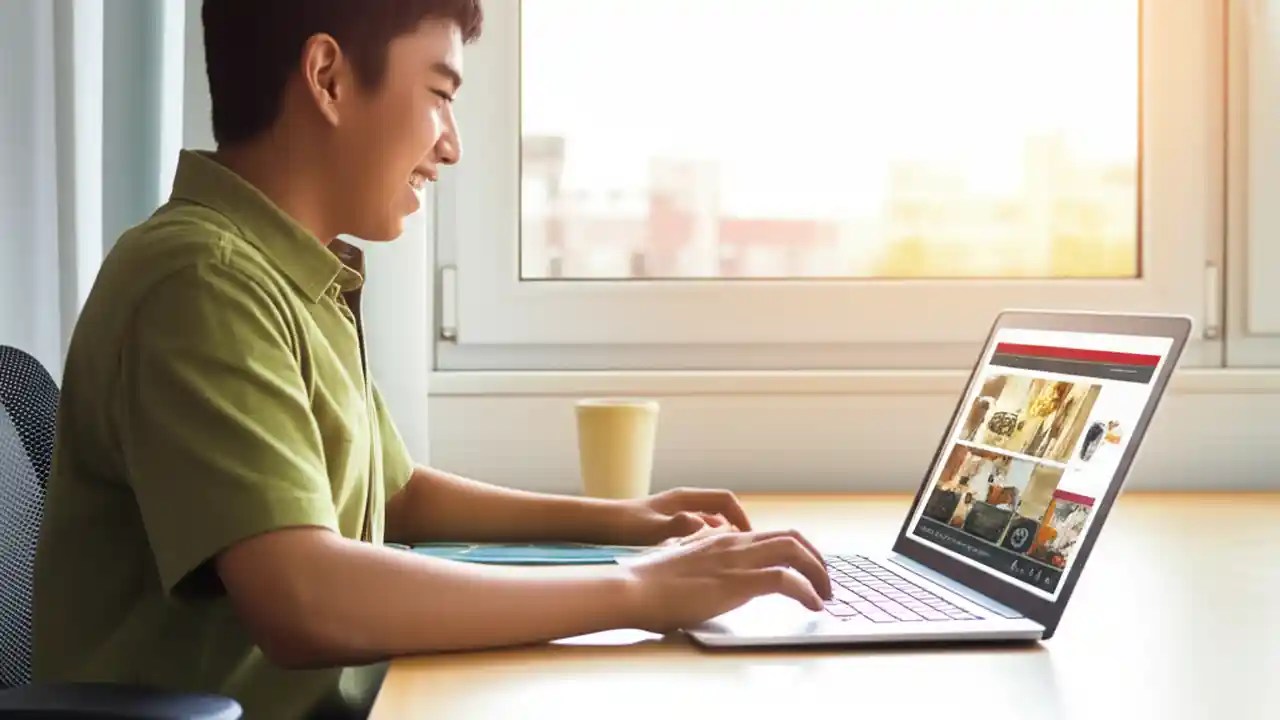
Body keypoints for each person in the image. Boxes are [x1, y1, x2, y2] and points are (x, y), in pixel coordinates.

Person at [32, 2, 832, 717]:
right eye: (440, 94)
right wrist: (638, 590)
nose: (450, 145)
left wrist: (626, 522)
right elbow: (303, 596)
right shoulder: (203, 283)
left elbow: (397, 492)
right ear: (328, 78)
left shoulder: (288, 272)